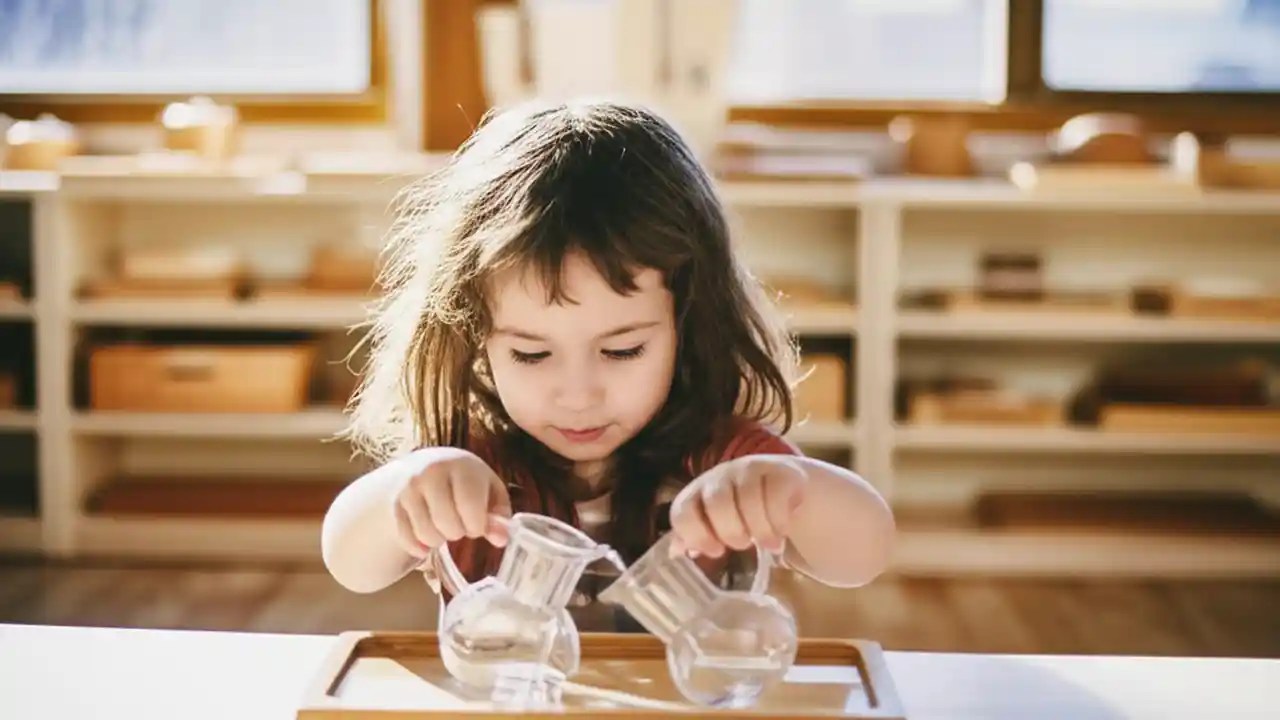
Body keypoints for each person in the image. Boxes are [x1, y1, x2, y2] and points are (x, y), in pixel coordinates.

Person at [321, 98, 894, 627]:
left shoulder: (721, 457)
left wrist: (788, 488)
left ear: (688, 325)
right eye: (531, 353)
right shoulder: (475, 464)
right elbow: (350, 563)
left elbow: (864, 553)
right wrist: (409, 484)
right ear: (477, 339)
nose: (578, 393)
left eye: (622, 350)